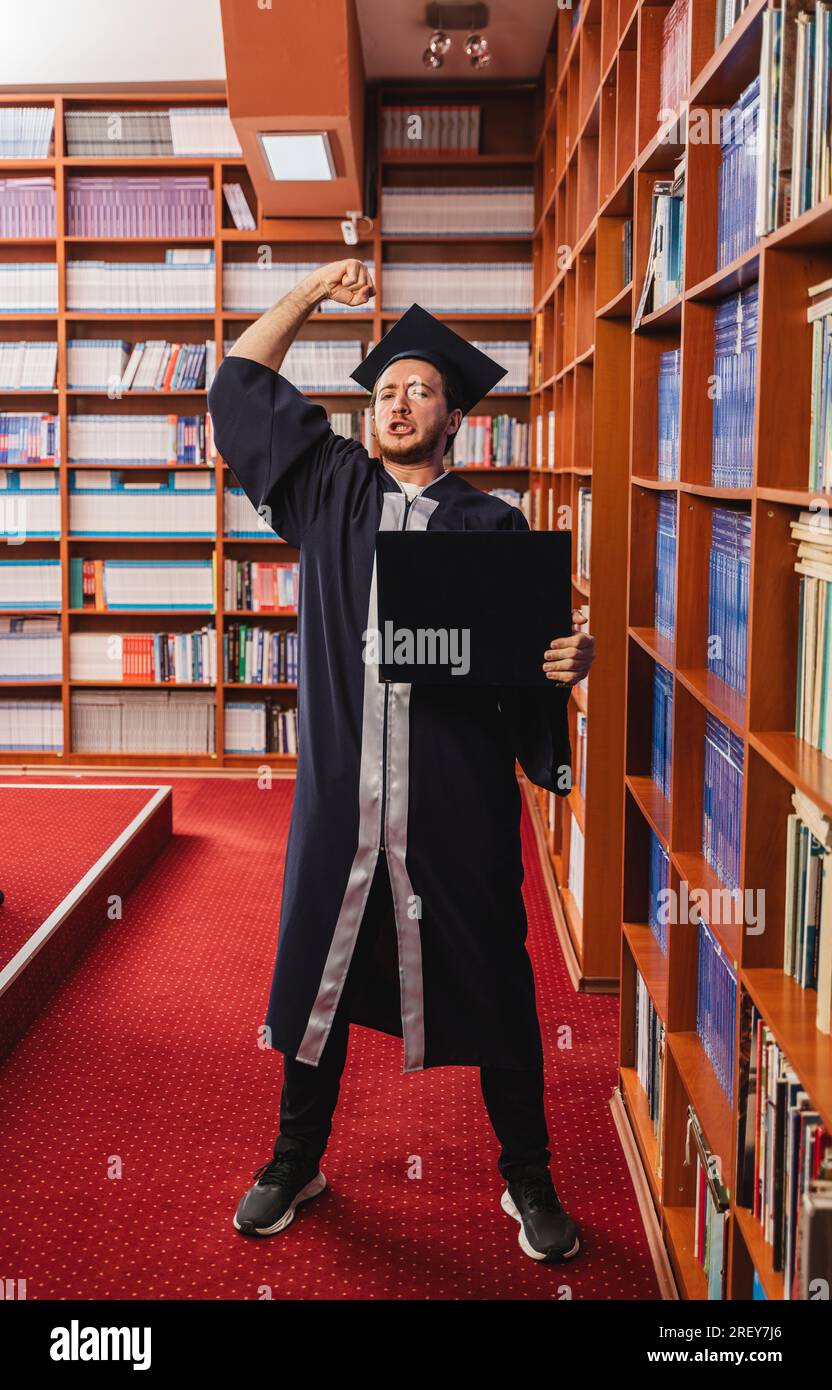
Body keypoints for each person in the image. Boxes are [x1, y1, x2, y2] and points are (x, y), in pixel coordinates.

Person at [207, 261, 596, 1264]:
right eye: (385, 387)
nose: (396, 398)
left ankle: (528, 1176)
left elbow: (525, 685)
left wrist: (563, 661)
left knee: (498, 984)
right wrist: (302, 294)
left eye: (420, 388)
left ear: (456, 414)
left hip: (454, 809)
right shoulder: (330, 488)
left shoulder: (492, 527)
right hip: (343, 799)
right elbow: (240, 385)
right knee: (318, 978)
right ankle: (297, 1158)